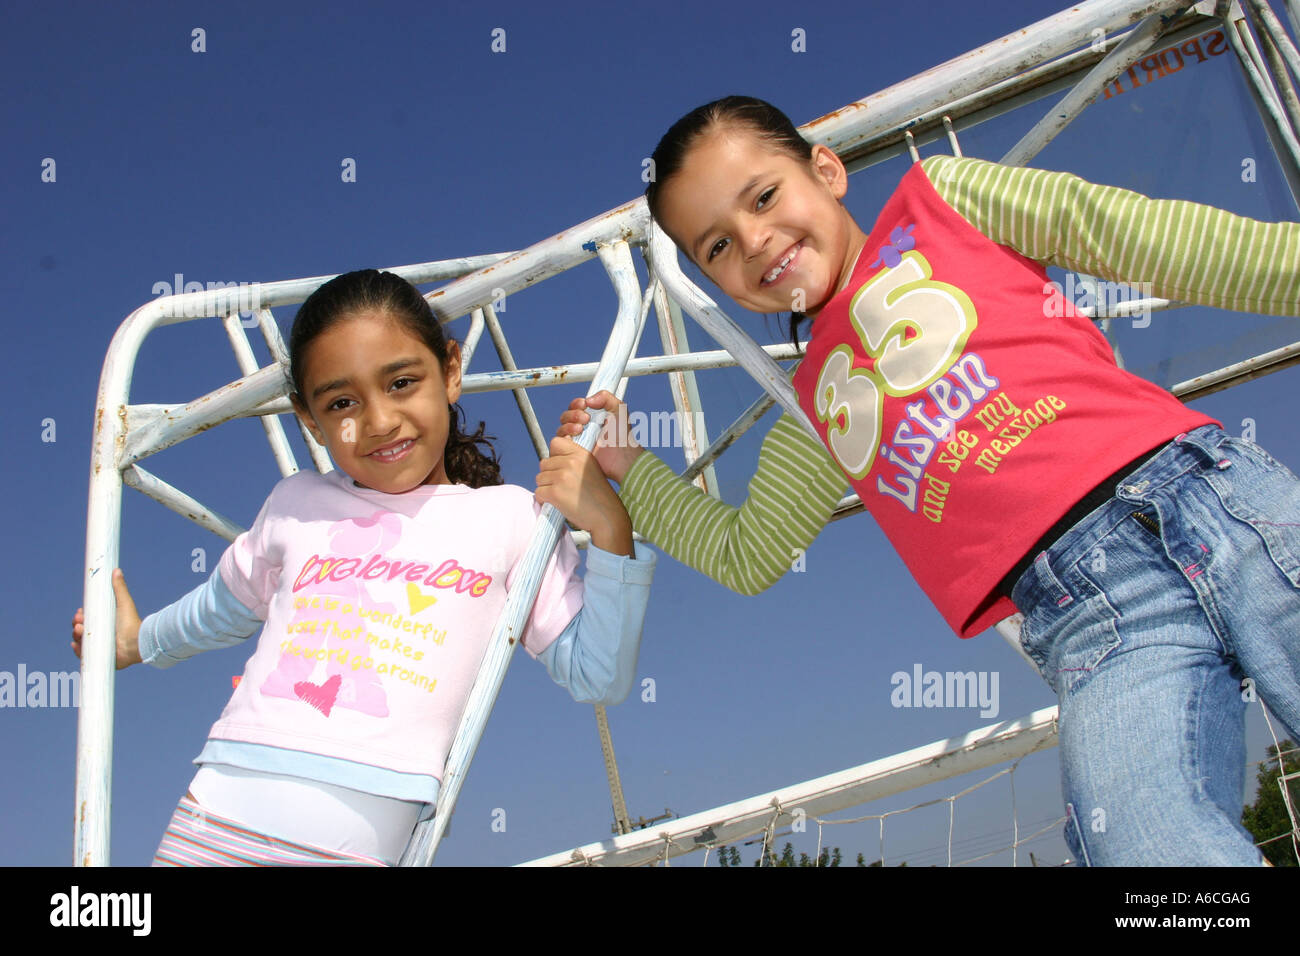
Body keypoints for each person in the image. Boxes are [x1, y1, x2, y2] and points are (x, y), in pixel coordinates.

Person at [559, 96, 1300, 866]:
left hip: (1214, 503)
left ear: (826, 169)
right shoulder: (818, 400)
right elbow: (749, 551)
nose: (753, 240)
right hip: (1098, 622)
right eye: (715, 246)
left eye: (765, 196)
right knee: (1140, 847)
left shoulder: (942, 198)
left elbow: (1145, 240)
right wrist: (631, 469)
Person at [72, 268, 657, 866]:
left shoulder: (512, 519)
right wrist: (135, 641)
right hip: (218, 811)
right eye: (342, 402)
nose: (378, 421)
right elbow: (218, 607)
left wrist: (610, 530)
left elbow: (598, 674)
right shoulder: (296, 503)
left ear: (450, 371)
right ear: (308, 416)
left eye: (402, 382)